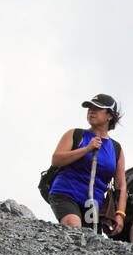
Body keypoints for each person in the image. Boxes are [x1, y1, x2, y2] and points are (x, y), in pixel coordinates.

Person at [48, 94, 126, 233]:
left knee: (90, 243)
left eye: (97, 108)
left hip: (94, 203)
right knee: (73, 226)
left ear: (109, 116)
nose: (91, 111)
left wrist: (120, 214)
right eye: (89, 107)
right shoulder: (75, 134)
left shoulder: (116, 148)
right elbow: (56, 160)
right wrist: (86, 149)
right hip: (66, 192)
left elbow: (121, 184)